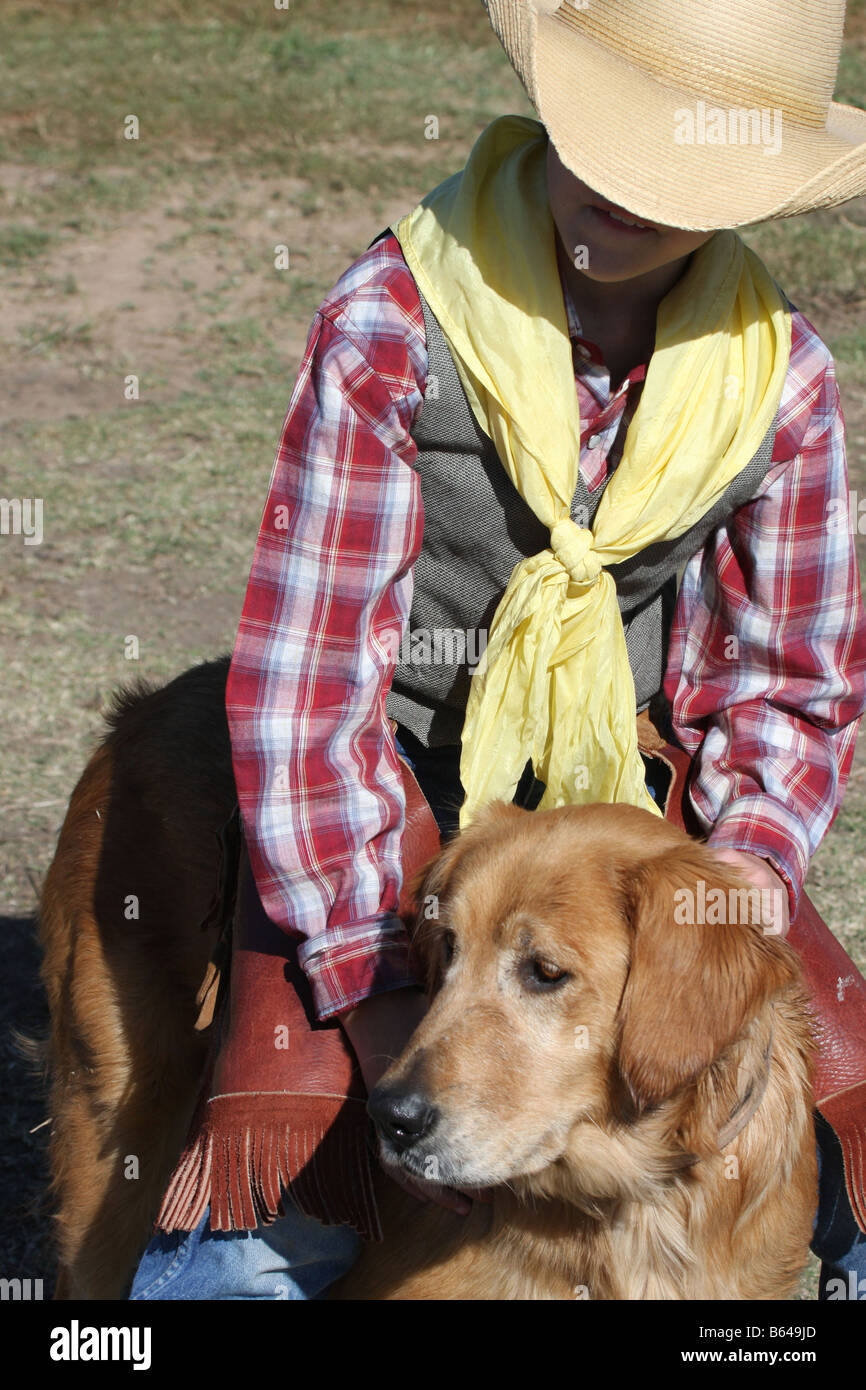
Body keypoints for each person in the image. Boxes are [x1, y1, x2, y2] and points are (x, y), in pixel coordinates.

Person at [130, 0, 866, 1299]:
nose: (625, 187)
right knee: (257, 1229)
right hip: (390, 767)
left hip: (632, 791)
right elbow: (310, 697)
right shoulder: (392, 326)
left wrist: (715, 914)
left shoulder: (782, 384)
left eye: (675, 164)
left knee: (850, 1111)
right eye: (608, 135)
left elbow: (787, 695)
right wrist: (371, 992)